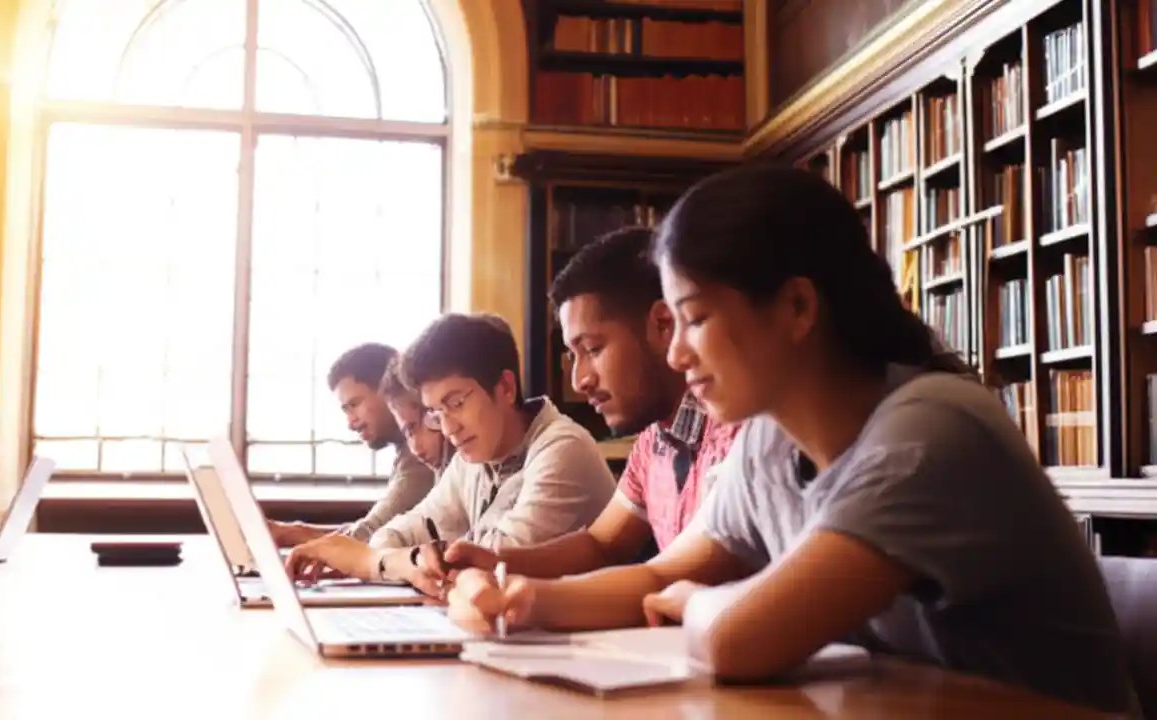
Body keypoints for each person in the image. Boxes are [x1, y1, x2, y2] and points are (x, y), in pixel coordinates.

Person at [445, 165, 1138, 715]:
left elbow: (737, 638)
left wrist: (695, 603)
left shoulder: (931, 431)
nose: (678, 355)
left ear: (798, 306)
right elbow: (657, 576)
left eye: (694, 319)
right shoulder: (770, 443)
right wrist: (516, 597)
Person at [442, 227, 739, 579]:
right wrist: (494, 563)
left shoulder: (739, 431)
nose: (580, 380)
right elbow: (601, 544)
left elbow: (671, 578)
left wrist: (535, 599)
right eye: (572, 354)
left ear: (662, 325)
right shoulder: (652, 444)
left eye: (594, 350)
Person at [284, 313, 617, 596]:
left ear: (505, 388)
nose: (447, 427)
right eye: (435, 412)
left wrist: (386, 562)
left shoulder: (561, 449)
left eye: (456, 403)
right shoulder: (471, 458)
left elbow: (487, 563)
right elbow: (394, 534)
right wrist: (411, 559)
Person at [267, 343, 435, 546]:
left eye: (354, 405)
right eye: (346, 410)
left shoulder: (422, 458)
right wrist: (292, 531)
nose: (350, 423)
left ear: (389, 390)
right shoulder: (407, 451)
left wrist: (286, 534)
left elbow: (368, 537)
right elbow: (372, 530)